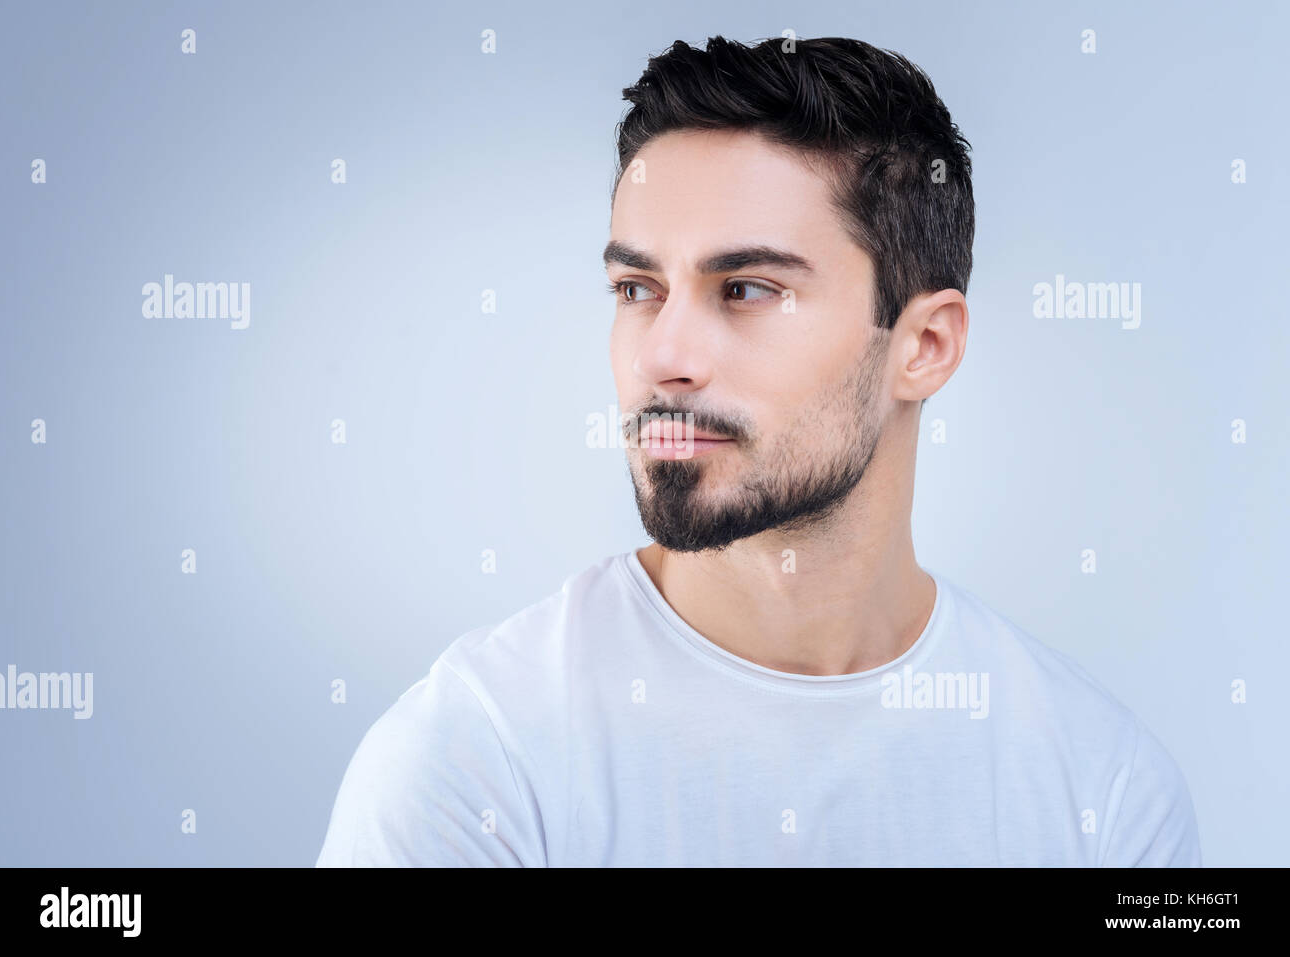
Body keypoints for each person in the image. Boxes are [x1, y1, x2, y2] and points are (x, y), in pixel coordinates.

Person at [316, 35, 1201, 867]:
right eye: (637, 287)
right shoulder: (475, 768)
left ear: (925, 345)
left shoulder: (1105, 792)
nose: (664, 357)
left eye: (745, 288)